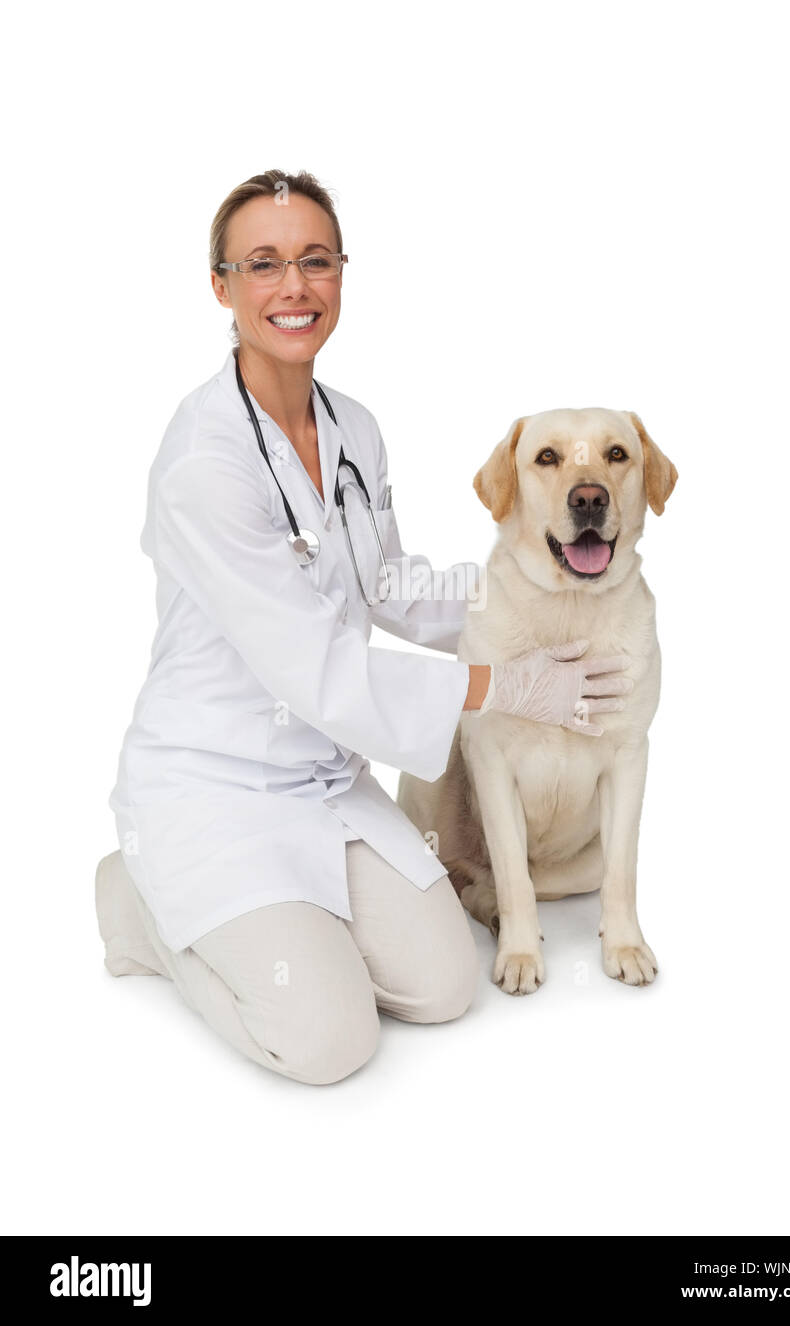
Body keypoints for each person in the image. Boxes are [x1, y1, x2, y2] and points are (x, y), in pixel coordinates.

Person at [96, 168, 633, 1085]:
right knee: (328, 1044)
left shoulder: (353, 428)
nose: (293, 287)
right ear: (220, 286)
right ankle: (143, 907)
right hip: (215, 781)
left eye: (315, 260)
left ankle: (293, 930)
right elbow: (317, 667)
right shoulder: (203, 463)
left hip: (322, 773)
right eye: (263, 264)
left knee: (443, 985)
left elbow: (385, 579)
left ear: (342, 273)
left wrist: (527, 596)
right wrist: (505, 680)